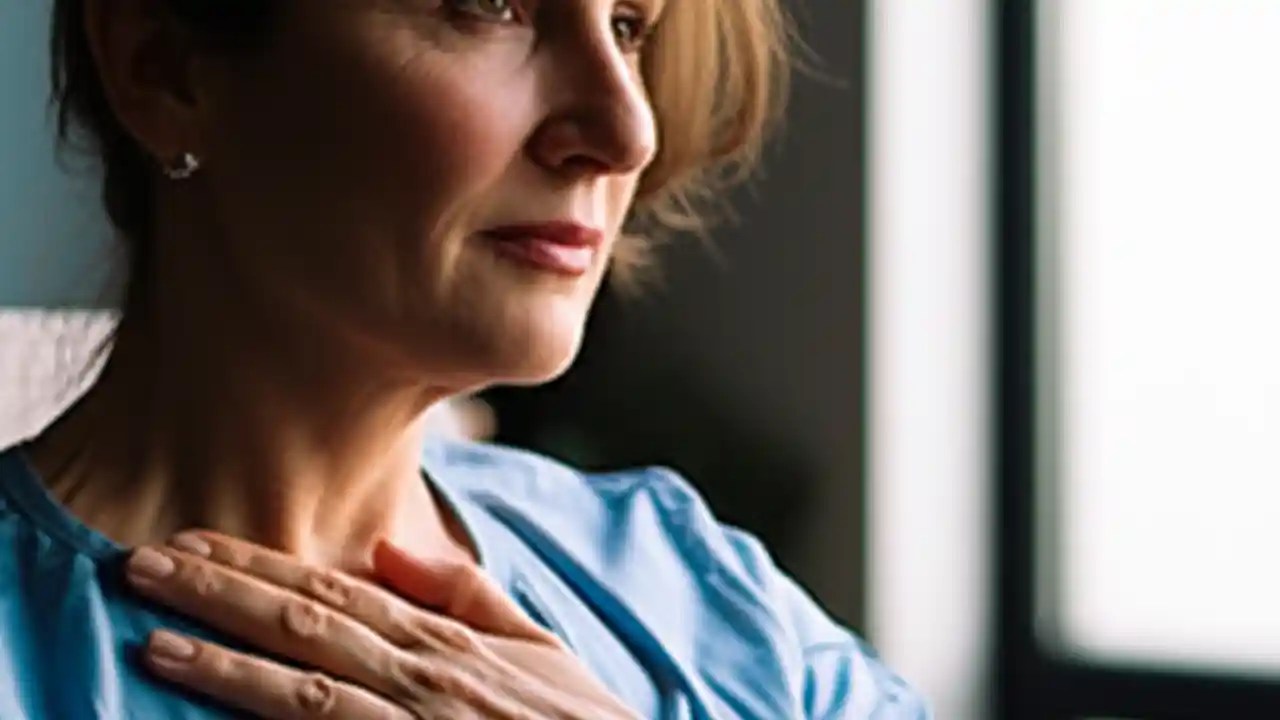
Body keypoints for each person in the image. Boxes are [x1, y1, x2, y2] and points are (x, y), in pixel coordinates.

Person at [0, 0, 929, 717]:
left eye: (628, 25)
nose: (626, 127)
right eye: (489, 3)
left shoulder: (699, 589)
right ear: (161, 65)